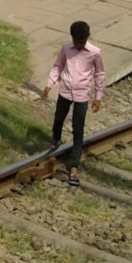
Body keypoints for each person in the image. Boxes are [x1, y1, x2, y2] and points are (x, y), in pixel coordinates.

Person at [41, 20, 105, 186]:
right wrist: (49, 84)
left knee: (78, 129)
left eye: (82, 42)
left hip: (82, 95)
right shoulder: (66, 48)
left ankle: (74, 166)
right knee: (58, 119)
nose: (78, 45)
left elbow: (99, 74)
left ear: (87, 38)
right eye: (76, 42)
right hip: (65, 92)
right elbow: (58, 66)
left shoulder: (95, 52)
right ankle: (54, 144)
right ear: (72, 38)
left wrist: (98, 97)